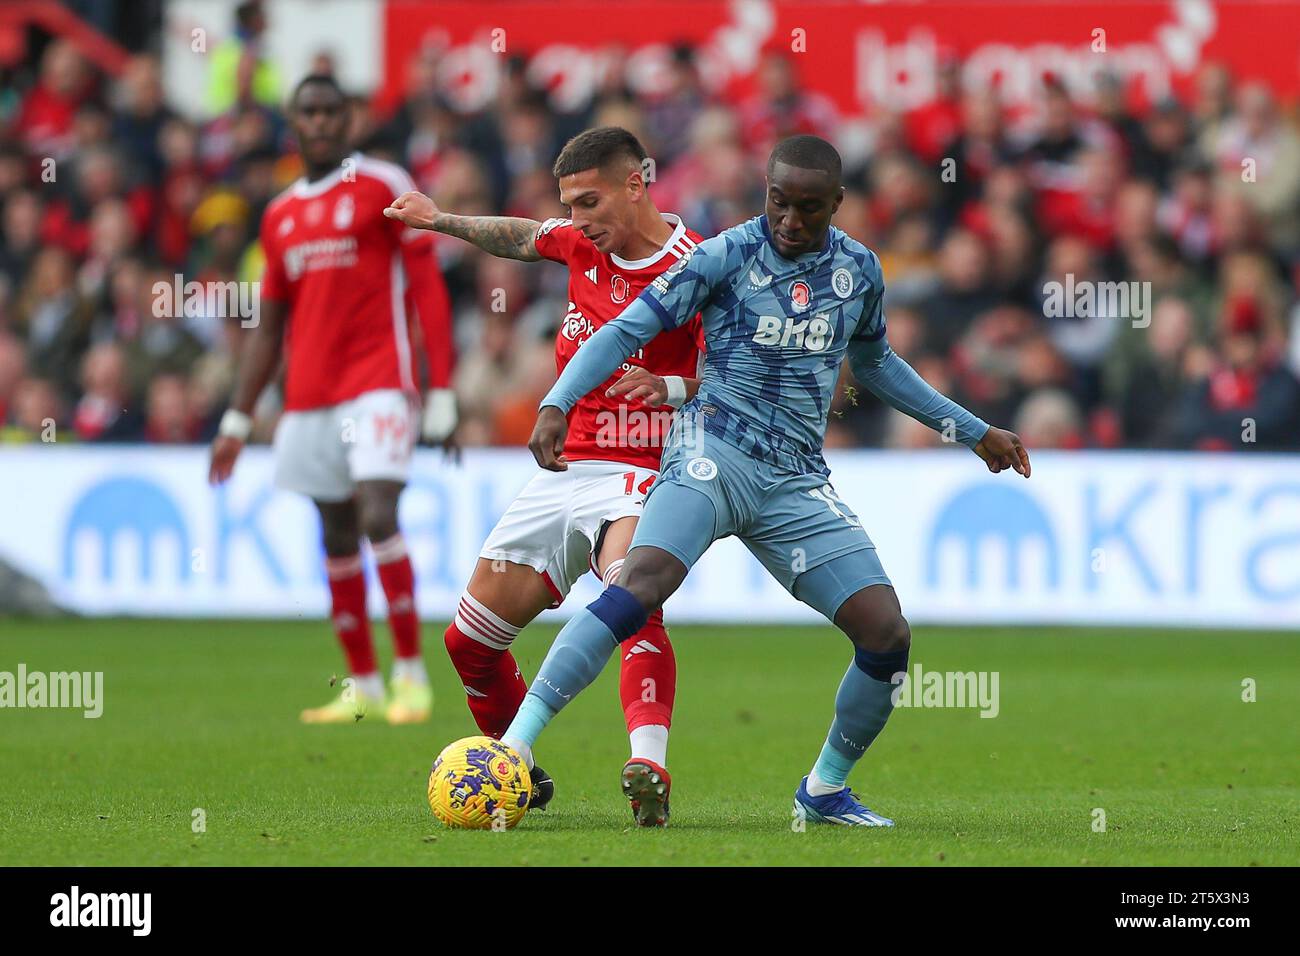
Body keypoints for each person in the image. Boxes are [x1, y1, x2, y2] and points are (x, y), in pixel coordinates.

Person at [499, 135, 1030, 826]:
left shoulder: (860, 271)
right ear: (766, 191)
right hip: (711, 451)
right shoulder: (723, 254)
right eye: (779, 202)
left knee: (887, 634)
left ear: (837, 204)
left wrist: (971, 430)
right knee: (639, 584)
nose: (788, 220)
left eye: (808, 208)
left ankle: (824, 790)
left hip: (794, 481)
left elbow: (876, 367)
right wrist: (556, 402)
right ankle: (513, 746)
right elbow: (621, 332)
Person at [384, 127, 704, 825]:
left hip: (641, 469)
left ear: (636, 182)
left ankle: (649, 762)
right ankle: (512, 773)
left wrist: (674, 389)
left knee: (630, 594)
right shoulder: (580, 242)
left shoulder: (699, 267)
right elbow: (523, 236)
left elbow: (731, 371)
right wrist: (440, 220)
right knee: (468, 643)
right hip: (562, 469)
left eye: (590, 201)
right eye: (571, 205)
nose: (579, 220)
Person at [208, 74, 457, 725]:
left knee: (379, 513)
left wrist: (443, 389)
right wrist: (237, 418)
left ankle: (411, 677)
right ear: (293, 123)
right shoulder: (280, 213)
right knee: (335, 531)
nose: (319, 122)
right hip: (309, 395)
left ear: (348, 120)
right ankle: (363, 686)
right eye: (308, 112)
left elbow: (428, 286)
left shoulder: (380, 184)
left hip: (379, 381)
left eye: (330, 112)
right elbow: (268, 327)